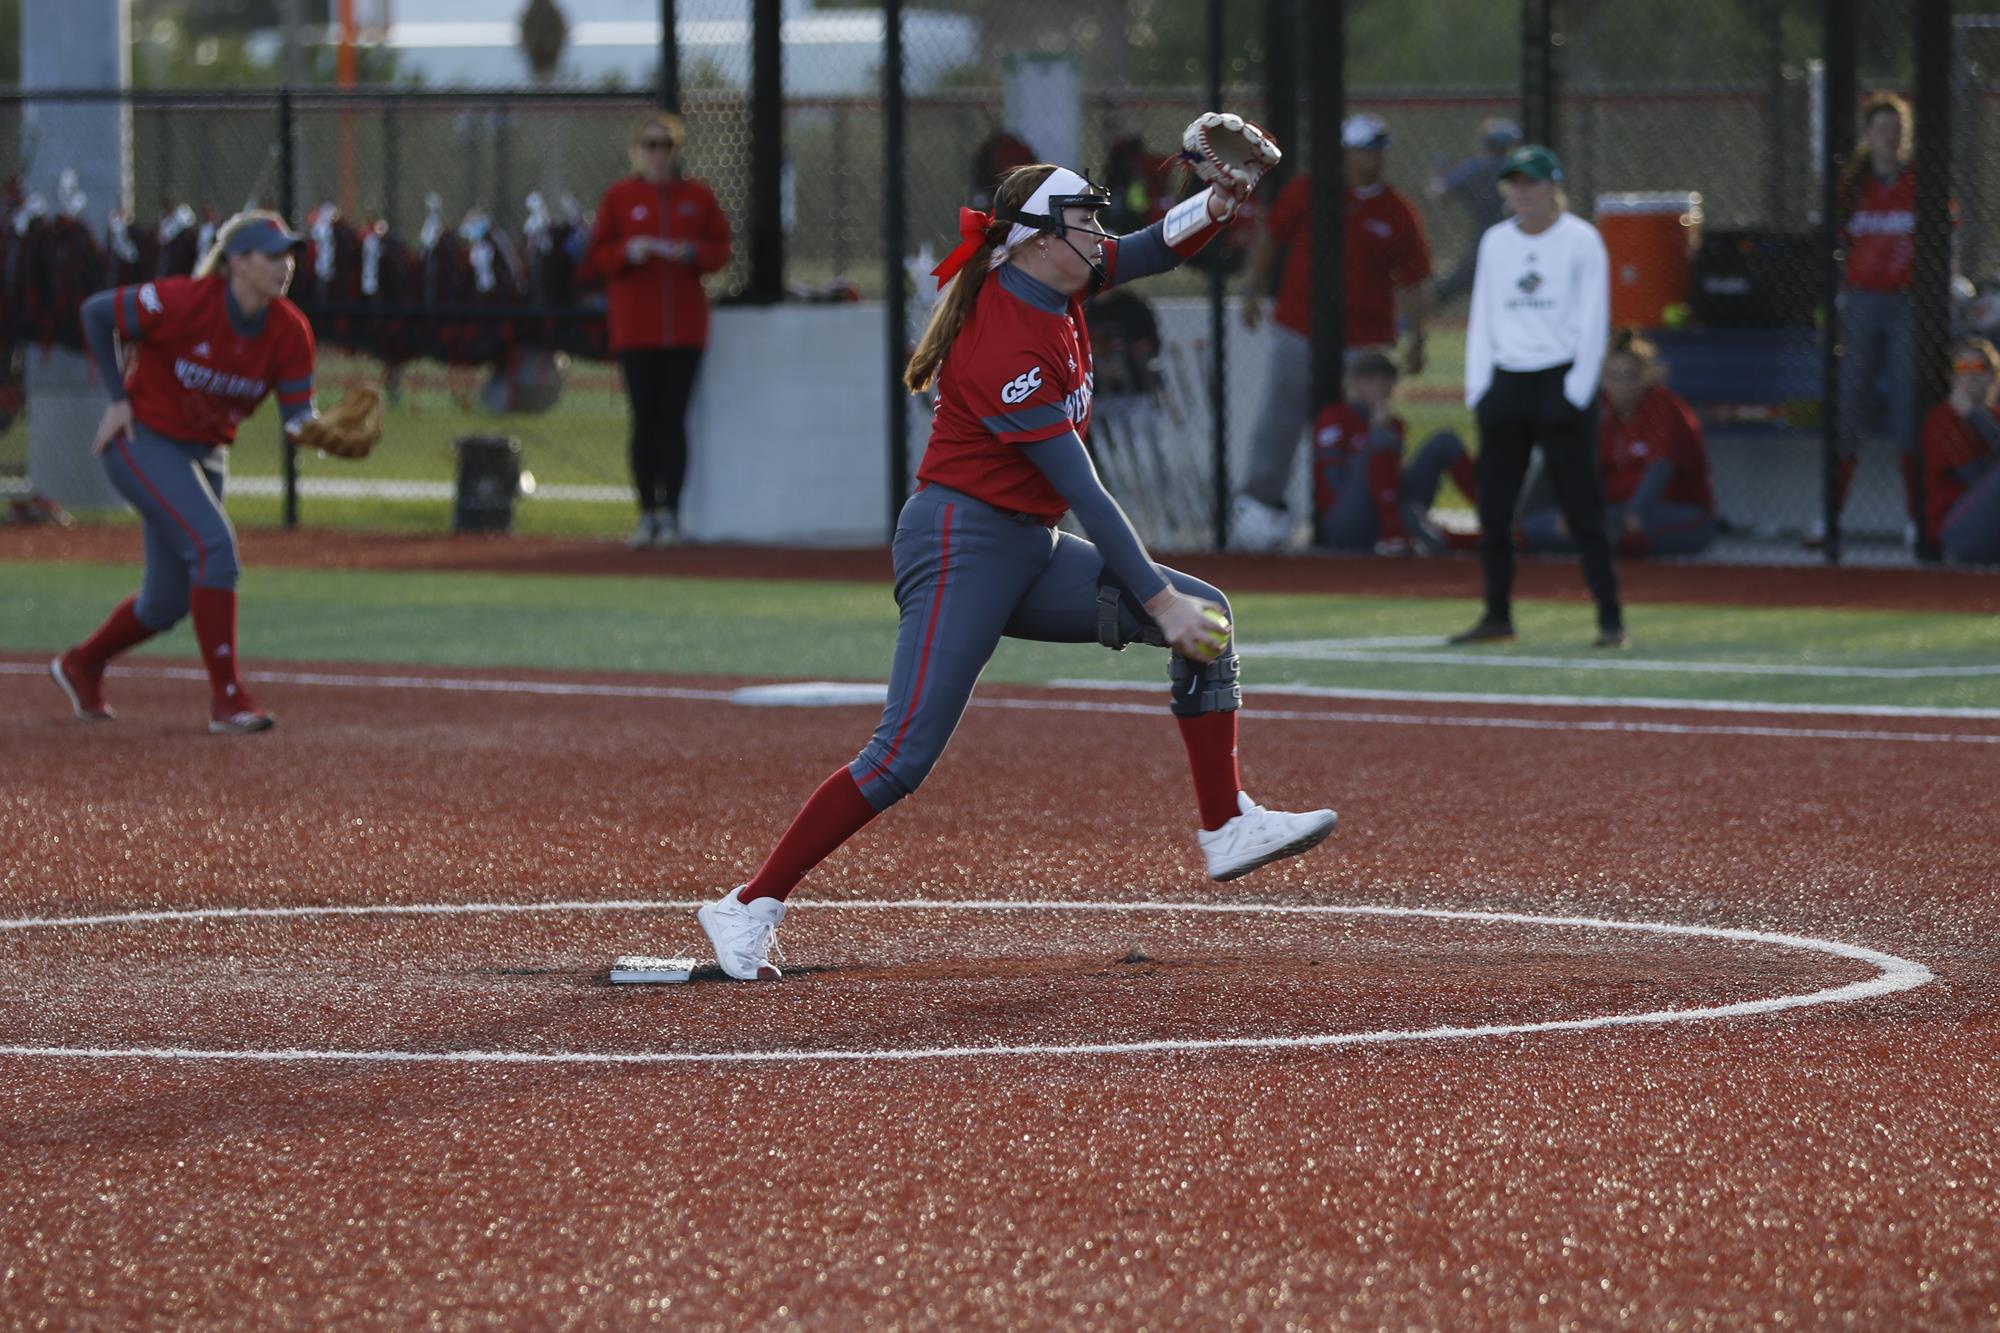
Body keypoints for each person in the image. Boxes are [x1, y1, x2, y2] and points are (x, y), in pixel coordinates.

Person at [693, 160, 1338, 981]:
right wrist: (1155, 596)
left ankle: (1225, 825)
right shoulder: (1002, 336)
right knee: (901, 757)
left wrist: (1220, 199)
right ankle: (748, 904)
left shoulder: (1055, 271)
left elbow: (1155, 245)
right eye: (1083, 219)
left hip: (1022, 542)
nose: (1100, 235)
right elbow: (1086, 493)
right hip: (961, 543)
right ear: (1034, 239)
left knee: (1209, 613)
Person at [49, 212, 319, 733]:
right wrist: (117, 399)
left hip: (204, 454)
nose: (284, 266)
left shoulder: (290, 331)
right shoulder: (184, 301)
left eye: (288, 255)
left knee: (166, 601)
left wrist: (326, 435)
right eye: (271, 254)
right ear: (238, 262)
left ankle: (81, 664)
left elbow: (296, 421)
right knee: (214, 547)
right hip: (142, 441)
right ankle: (228, 699)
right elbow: (96, 313)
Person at [1233, 112, 1433, 549]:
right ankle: (1259, 509)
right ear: (1345, 152)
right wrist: (1250, 289)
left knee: (1360, 423)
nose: (1372, 158)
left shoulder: (1397, 210)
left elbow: (1416, 279)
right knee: (1279, 420)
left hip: (1365, 341)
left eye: (1378, 150)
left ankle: (1356, 513)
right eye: (1364, 149)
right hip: (1298, 327)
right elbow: (1271, 235)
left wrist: (1417, 337)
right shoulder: (1309, 190)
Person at [1455, 143, 1624, 648]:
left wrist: (1576, 390)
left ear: (1553, 186)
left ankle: (1610, 619)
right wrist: (1479, 388)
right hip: (1506, 385)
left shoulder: (1582, 240)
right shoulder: (1495, 242)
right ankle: (1497, 614)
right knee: (1494, 511)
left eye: (1532, 182)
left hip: (1560, 384)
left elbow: (1596, 318)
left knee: (1583, 507)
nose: (1522, 192)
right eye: (1515, 182)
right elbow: (1482, 315)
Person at [582, 112, 733, 549]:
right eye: (650, 145)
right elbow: (598, 258)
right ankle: (646, 512)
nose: (658, 154)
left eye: (665, 145)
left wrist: (691, 253)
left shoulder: (697, 197)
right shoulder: (620, 198)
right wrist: (629, 251)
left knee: (673, 421)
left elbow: (720, 250)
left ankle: (672, 514)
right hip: (636, 330)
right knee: (644, 422)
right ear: (637, 151)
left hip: (684, 332)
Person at [1518, 328, 1715, 559]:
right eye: (1613, 376)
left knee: (1621, 532)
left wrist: (1633, 514)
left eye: (1631, 376)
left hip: (1670, 513)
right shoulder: (1600, 411)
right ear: (1602, 377)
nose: (1622, 385)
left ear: (1647, 375)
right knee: (1536, 529)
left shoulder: (1666, 408)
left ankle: (1608, 544)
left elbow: (1660, 469)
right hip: (1612, 513)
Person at [1823, 92, 1920, 549]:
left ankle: (1917, 518)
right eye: (1882, 128)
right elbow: (1832, 249)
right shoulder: (1850, 188)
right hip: (1862, 302)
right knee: (1848, 406)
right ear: (1867, 136)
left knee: (1908, 407)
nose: (1890, 136)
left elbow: (1948, 243)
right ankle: (1831, 516)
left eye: (1897, 128)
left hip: (1907, 302)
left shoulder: (1923, 182)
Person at [1309, 350, 1476, 555]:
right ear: (1356, 383)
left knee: (1445, 441)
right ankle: (1394, 534)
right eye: (1371, 379)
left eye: (1386, 379)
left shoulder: (1394, 423)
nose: (1380, 386)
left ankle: (1495, 520)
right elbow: (1333, 481)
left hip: (1387, 511)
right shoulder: (1335, 415)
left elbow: (1390, 480)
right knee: (1381, 438)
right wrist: (1375, 437)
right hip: (1345, 520)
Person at [1919, 336, 2000, 565]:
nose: (1971, 376)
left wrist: (1978, 418)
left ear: (1994, 376)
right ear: (1952, 378)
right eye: (1963, 368)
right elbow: (1975, 479)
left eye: (1979, 368)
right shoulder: (1942, 418)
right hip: (1957, 531)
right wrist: (1973, 416)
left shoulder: (1994, 418)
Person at [1430, 117, 1523, 304]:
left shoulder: (1475, 167)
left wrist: (1437, 175)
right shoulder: (1519, 168)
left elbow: (1439, 194)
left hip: (1482, 239)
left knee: (1452, 287)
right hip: (1518, 240)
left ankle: (1415, 317)